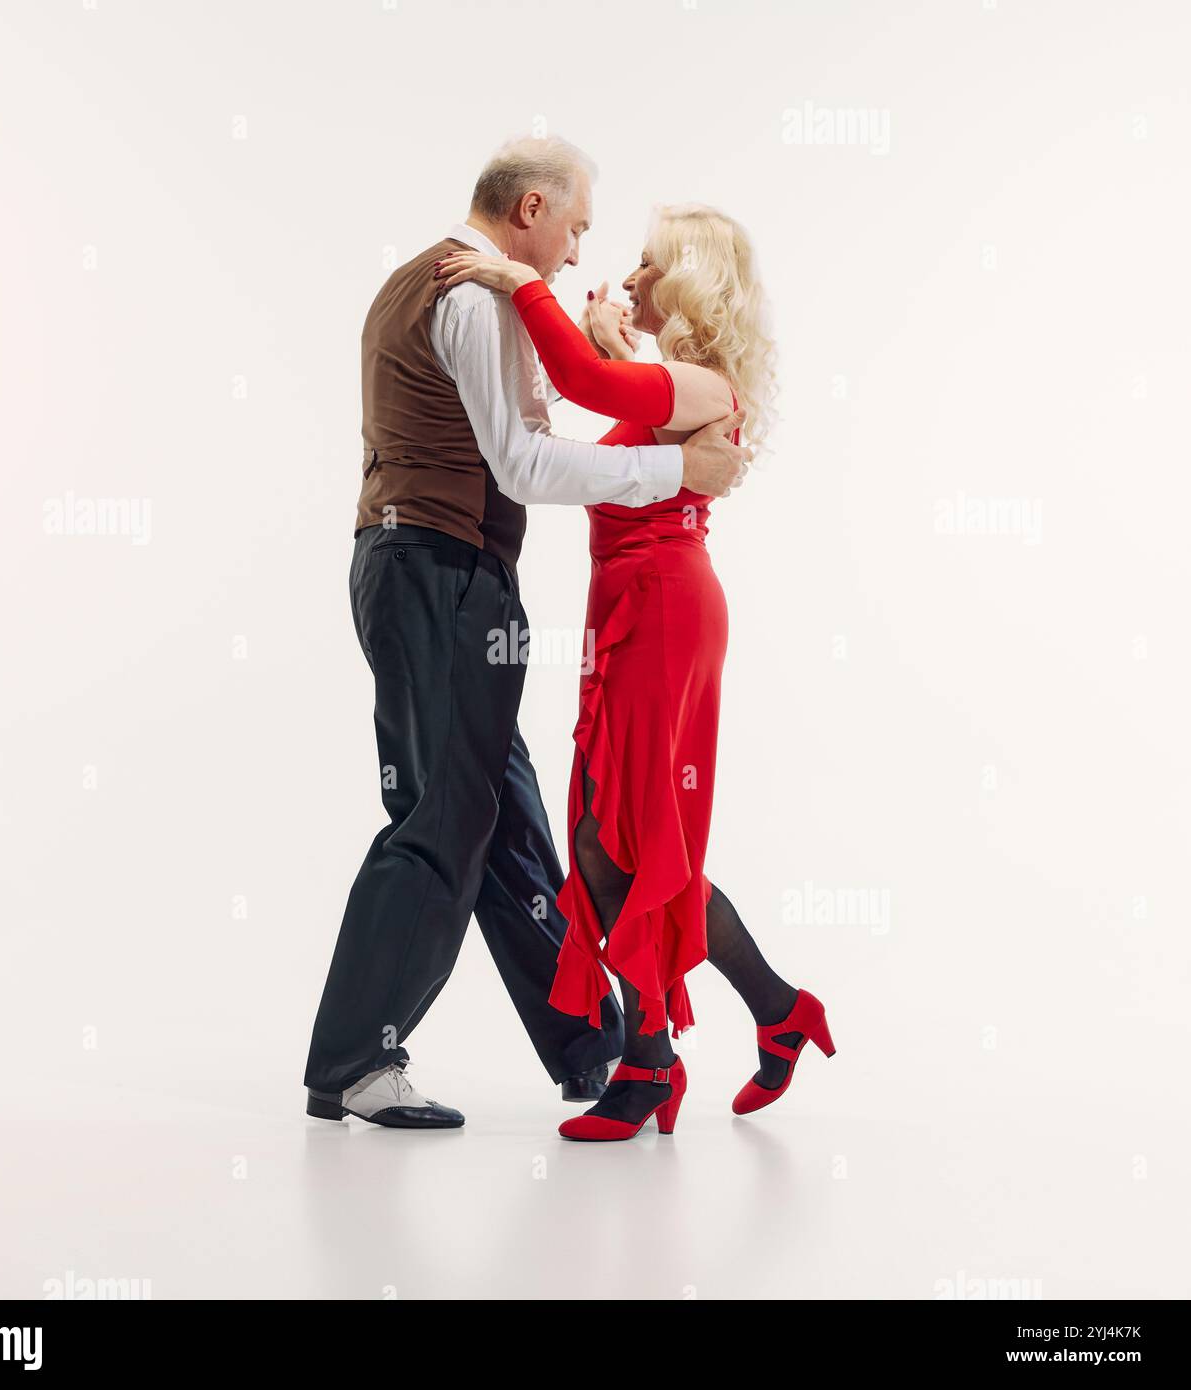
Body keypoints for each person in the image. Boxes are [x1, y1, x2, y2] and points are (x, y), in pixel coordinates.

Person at [302, 138, 752, 1128]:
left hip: (437, 573)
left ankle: (588, 1040)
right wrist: (677, 477)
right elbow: (523, 464)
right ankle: (355, 1061)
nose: (578, 252)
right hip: (437, 572)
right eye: (577, 228)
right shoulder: (469, 295)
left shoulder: (431, 284)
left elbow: (544, 413)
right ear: (530, 208)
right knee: (442, 821)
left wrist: (599, 352)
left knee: (502, 811)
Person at [434, 203, 835, 1141]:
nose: (634, 278)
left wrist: (517, 281)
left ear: (691, 283)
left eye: (652, 268)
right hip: (633, 610)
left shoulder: (700, 383)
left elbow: (581, 381)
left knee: (617, 838)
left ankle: (656, 1059)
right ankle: (766, 1015)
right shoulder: (679, 382)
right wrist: (608, 339)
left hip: (661, 613)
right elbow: (600, 399)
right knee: (623, 837)